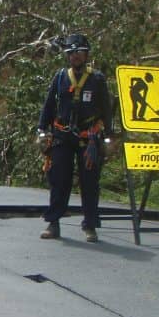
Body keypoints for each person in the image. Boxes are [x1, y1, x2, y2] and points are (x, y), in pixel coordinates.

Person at [36, 34, 113, 242]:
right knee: (59, 179)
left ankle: (90, 225)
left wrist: (109, 136)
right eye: (71, 53)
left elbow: (107, 108)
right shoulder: (60, 77)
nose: (75, 57)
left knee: (90, 182)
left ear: (86, 54)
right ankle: (53, 223)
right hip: (62, 136)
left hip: (89, 138)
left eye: (78, 53)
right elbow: (49, 104)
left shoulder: (97, 79)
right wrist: (42, 130)